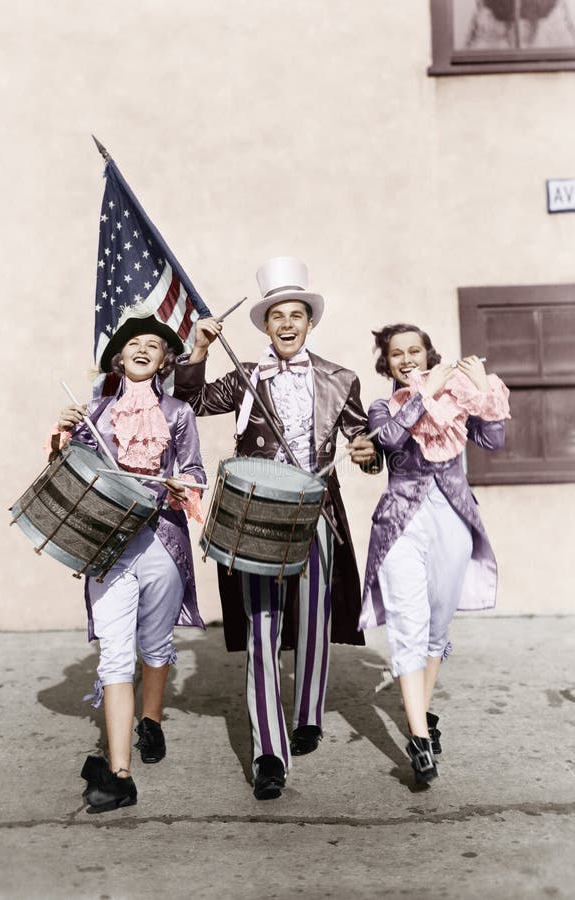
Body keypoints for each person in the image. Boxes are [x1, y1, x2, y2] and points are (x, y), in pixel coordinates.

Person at [174, 256, 380, 800]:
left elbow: (365, 442)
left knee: (313, 620)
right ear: (265, 325)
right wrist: (196, 350)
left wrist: (366, 452)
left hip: (317, 512)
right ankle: (269, 751)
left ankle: (308, 711)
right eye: (276, 316)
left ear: (309, 323)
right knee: (264, 627)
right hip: (257, 515)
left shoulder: (340, 379)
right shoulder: (246, 377)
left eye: (296, 315)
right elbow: (190, 401)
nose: (286, 324)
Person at [53, 313, 206, 813]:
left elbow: (195, 469)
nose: (143, 349)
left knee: (156, 642)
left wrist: (186, 483)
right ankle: (120, 773)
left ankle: (152, 720)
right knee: (116, 655)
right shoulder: (93, 413)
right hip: (109, 544)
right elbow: (69, 471)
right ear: (119, 358)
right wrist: (63, 433)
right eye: (133, 344)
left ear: (165, 361)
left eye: (153, 345)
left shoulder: (180, 412)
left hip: (162, 540)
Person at [359, 323, 510, 784]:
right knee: (408, 623)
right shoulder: (383, 406)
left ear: (429, 355)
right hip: (401, 525)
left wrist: (480, 388)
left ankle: (418, 715)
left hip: (454, 521)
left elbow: (495, 440)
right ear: (386, 363)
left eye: (416, 352)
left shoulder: (457, 401)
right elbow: (388, 440)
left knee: (436, 626)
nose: (407, 359)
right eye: (397, 353)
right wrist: (430, 390)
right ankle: (420, 740)